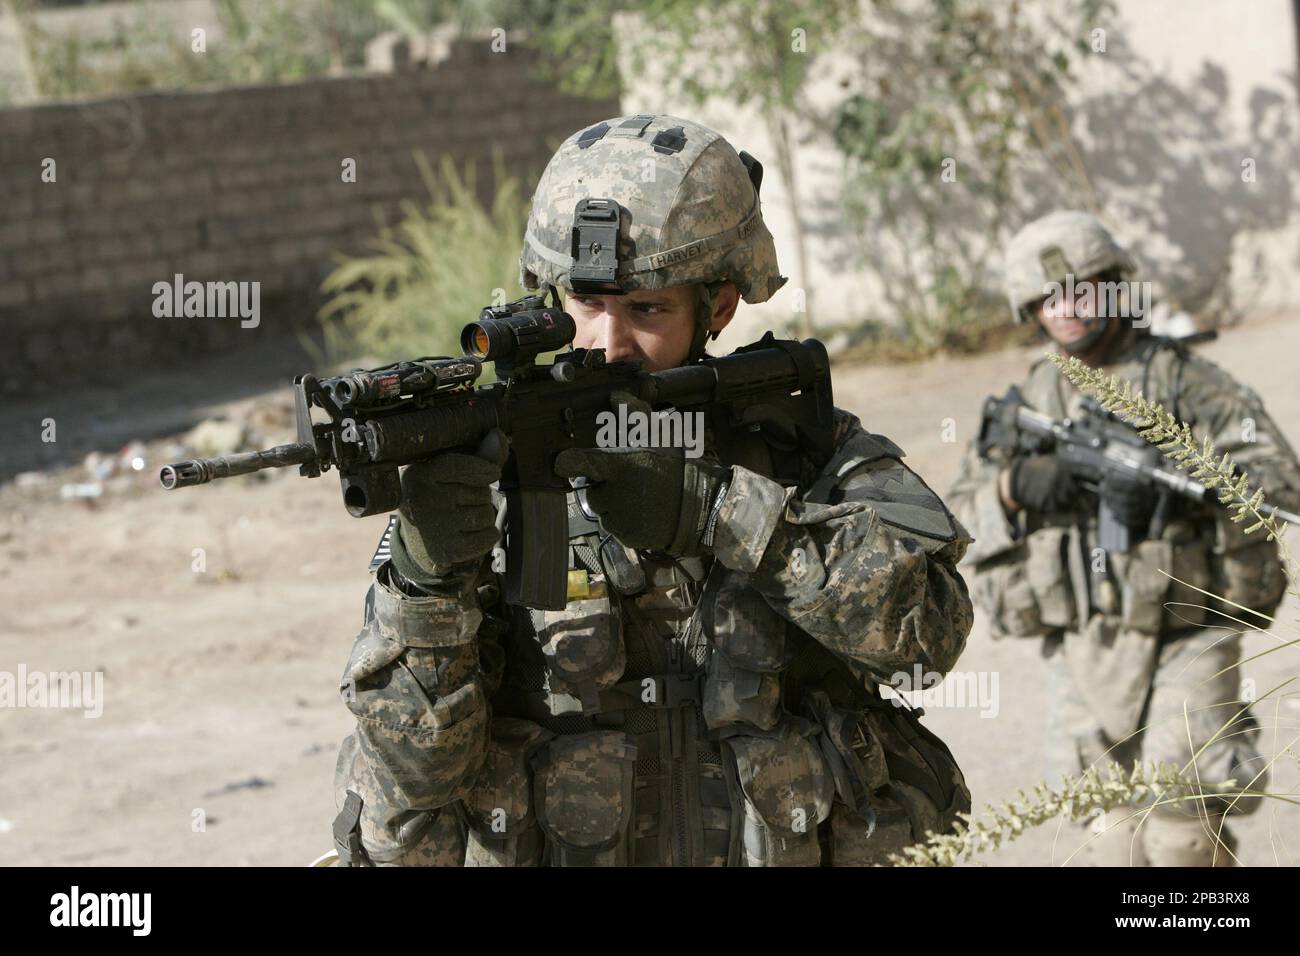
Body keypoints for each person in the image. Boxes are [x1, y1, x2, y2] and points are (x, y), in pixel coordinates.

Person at [330, 113, 974, 866]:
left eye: (648, 309)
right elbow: (411, 778)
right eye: (587, 305)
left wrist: (720, 512)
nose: (607, 340)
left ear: (720, 307)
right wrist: (425, 582)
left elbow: (932, 635)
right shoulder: (493, 476)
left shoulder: (800, 447)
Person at [947, 210, 1300, 865]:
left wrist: (1183, 480)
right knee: (1111, 839)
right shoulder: (1030, 396)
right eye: (1049, 297)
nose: (1067, 308)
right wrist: (1016, 486)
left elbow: (1280, 479)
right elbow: (956, 516)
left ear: (1115, 288)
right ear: (1029, 307)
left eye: (1082, 289)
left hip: (1185, 627)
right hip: (1086, 639)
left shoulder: (1184, 380)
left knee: (1182, 829)